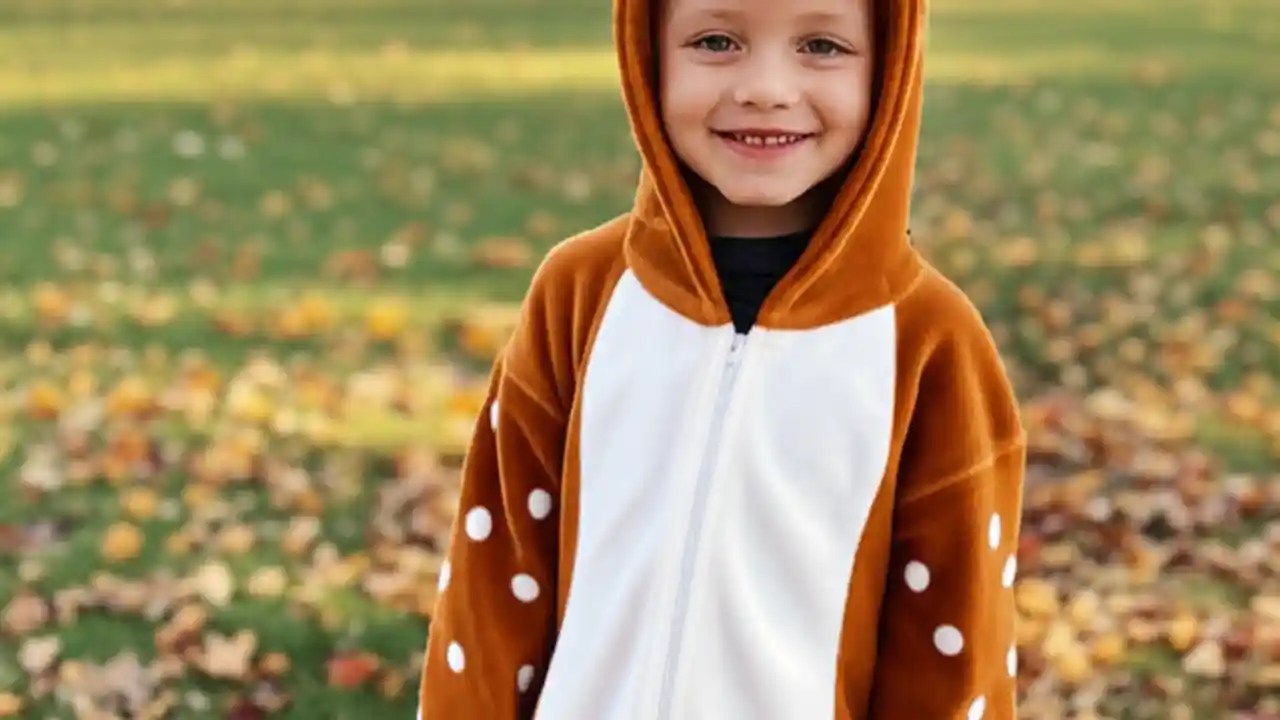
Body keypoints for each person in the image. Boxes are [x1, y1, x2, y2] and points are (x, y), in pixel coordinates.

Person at [416, 0, 1025, 716]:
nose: (766, 87)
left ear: (890, 65)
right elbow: (492, 590)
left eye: (822, 46)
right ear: (648, 54)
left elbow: (954, 651)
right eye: (715, 40)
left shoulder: (929, 343)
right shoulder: (579, 295)